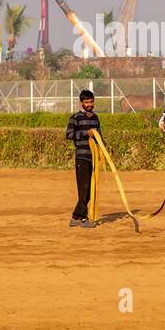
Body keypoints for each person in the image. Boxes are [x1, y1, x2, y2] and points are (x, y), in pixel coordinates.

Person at [66, 89, 101, 228]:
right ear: (81, 103)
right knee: (84, 189)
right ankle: (82, 218)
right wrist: (85, 133)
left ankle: (76, 217)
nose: (89, 104)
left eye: (91, 102)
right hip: (82, 157)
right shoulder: (75, 118)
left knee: (91, 189)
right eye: (87, 102)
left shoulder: (95, 118)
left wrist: (103, 150)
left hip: (93, 157)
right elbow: (69, 134)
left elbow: (99, 136)